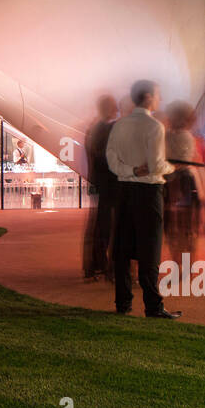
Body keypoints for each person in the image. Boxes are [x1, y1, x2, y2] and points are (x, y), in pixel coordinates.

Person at [105, 80, 181, 319]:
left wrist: (129, 171)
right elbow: (156, 165)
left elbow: (111, 158)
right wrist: (171, 167)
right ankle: (153, 306)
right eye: (158, 94)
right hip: (149, 192)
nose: (159, 98)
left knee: (123, 248)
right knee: (150, 249)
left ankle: (123, 302)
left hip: (125, 189)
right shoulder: (154, 126)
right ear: (148, 97)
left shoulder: (120, 125)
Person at [82, 94, 119, 280]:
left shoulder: (93, 128)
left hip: (98, 181)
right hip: (109, 183)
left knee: (98, 223)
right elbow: (107, 157)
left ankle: (94, 265)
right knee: (106, 225)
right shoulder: (107, 128)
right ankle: (101, 265)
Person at [164, 102, 202, 263]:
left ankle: (177, 260)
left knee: (171, 225)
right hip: (186, 181)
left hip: (169, 180)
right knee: (188, 225)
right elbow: (188, 160)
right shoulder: (188, 136)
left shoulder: (166, 135)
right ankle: (187, 262)